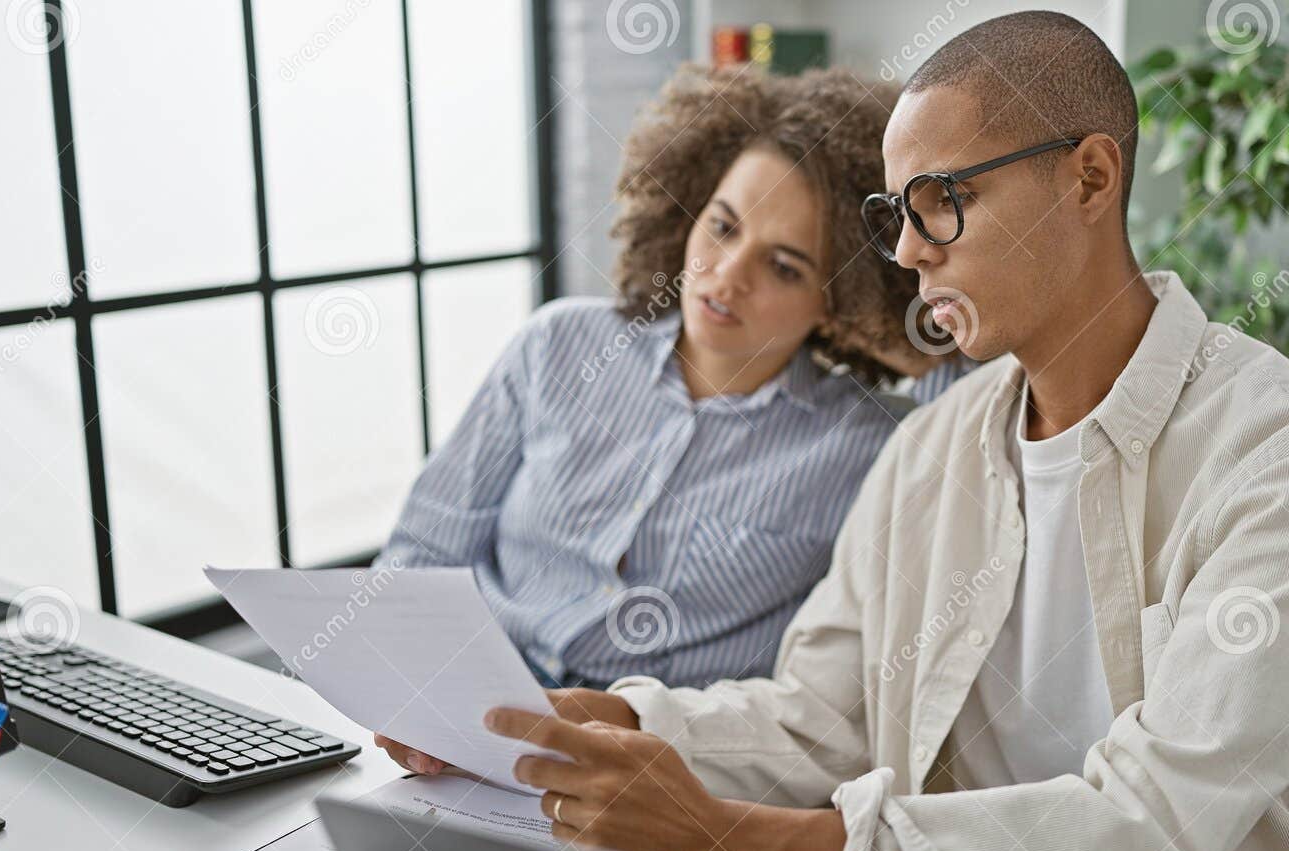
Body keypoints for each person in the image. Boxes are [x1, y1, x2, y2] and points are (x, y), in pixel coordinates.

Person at [474, 12, 1289, 851]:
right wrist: (623, 724)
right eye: (896, 213)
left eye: (944, 200)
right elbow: (824, 719)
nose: (910, 251)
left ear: (1089, 179)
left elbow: (1154, 830)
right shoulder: (928, 452)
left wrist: (722, 839)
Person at [371, 65, 971, 775]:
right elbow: (420, 556)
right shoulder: (558, 346)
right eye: (721, 227)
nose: (726, 274)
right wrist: (422, 695)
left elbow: (983, 426)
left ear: (838, 295)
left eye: (782, 266)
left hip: (659, 782)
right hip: (458, 739)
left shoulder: (871, 444)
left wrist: (900, 328)